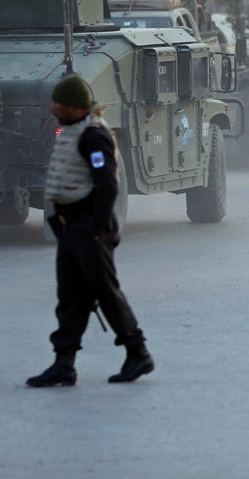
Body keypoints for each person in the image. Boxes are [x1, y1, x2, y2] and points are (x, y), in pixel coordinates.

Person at [27, 74, 154, 387]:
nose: (52, 107)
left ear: (73, 106)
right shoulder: (70, 131)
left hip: (88, 228)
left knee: (106, 294)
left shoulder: (93, 136)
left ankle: (138, 353)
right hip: (71, 228)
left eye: (58, 102)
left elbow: (107, 186)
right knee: (70, 297)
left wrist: (96, 230)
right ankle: (63, 364)